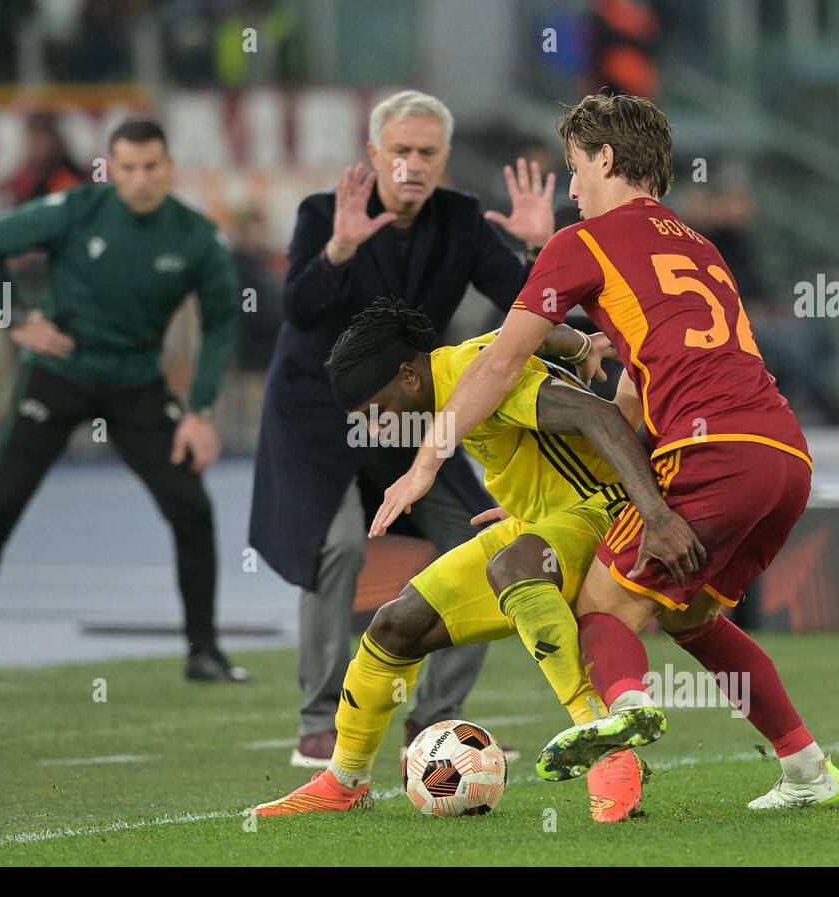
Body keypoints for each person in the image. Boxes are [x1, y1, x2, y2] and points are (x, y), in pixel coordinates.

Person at [371, 93, 839, 810]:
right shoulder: (698, 244)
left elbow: (499, 364)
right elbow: (631, 402)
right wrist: (538, 496)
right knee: (692, 619)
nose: (570, 189)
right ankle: (810, 773)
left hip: (711, 449)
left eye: (574, 169)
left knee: (601, 604)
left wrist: (427, 460)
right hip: (784, 456)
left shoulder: (582, 243)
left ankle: (624, 709)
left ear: (606, 159)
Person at [255, 299, 656, 822]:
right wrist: (581, 345)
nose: (378, 430)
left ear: (407, 375)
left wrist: (655, 514)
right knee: (395, 625)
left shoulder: (474, 376)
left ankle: (606, 747)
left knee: (513, 567)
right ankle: (345, 781)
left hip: (604, 512)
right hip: (539, 522)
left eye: (377, 412)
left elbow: (597, 413)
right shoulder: (466, 362)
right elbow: (531, 334)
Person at [250, 90, 558, 768]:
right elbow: (297, 311)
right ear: (374, 155)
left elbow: (528, 307)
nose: (412, 165)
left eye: (426, 153)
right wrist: (336, 250)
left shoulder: (463, 219)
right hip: (315, 419)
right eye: (400, 152)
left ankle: (437, 722)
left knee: (486, 541)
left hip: (407, 421)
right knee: (337, 552)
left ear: (444, 159)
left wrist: (542, 248)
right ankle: (319, 726)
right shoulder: (324, 215)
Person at [0, 118, 245, 683]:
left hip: (137, 384)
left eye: (151, 168)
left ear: (169, 168)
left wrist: (200, 411)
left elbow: (221, 324)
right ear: (111, 169)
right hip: (57, 375)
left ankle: (204, 653)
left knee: (191, 508)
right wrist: (15, 319)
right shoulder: (77, 209)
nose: (140, 180)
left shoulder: (195, 236)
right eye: (127, 169)